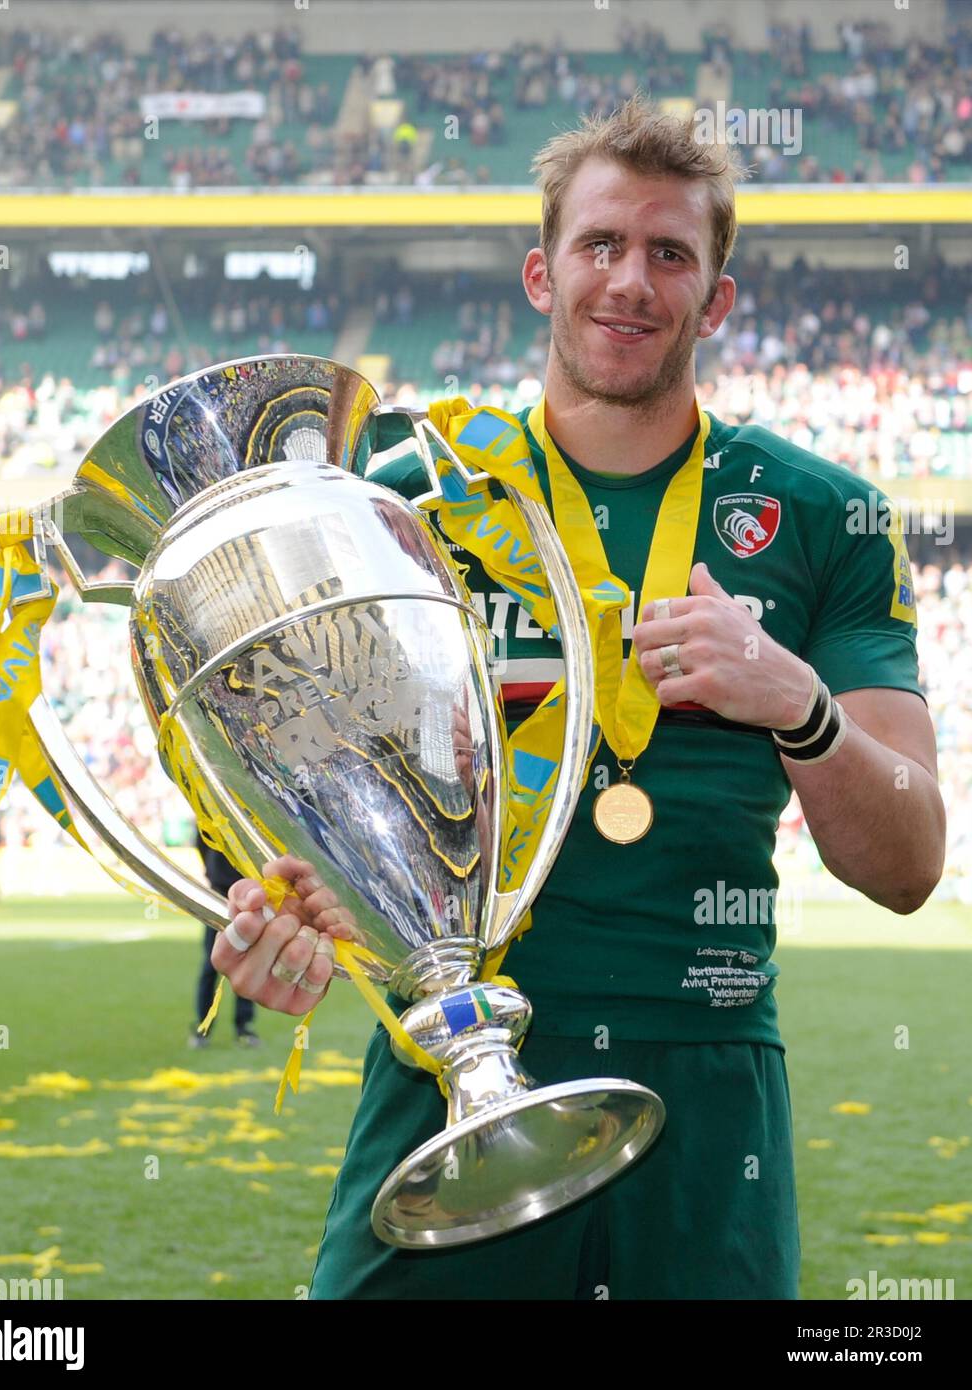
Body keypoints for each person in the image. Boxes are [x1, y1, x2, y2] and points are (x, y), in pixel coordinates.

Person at [210, 95, 945, 1299]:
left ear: (715, 301)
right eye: (600, 245)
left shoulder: (819, 516)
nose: (630, 281)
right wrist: (278, 913)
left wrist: (797, 703)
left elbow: (909, 860)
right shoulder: (404, 508)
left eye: (670, 255)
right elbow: (303, 815)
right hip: (452, 1065)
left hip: (707, 1081)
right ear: (542, 276)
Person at [190, 832, 260, 1049]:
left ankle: (243, 1026)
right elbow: (202, 839)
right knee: (211, 963)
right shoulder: (213, 807)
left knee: (247, 964)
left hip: (245, 898)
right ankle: (204, 1025)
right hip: (219, 896)